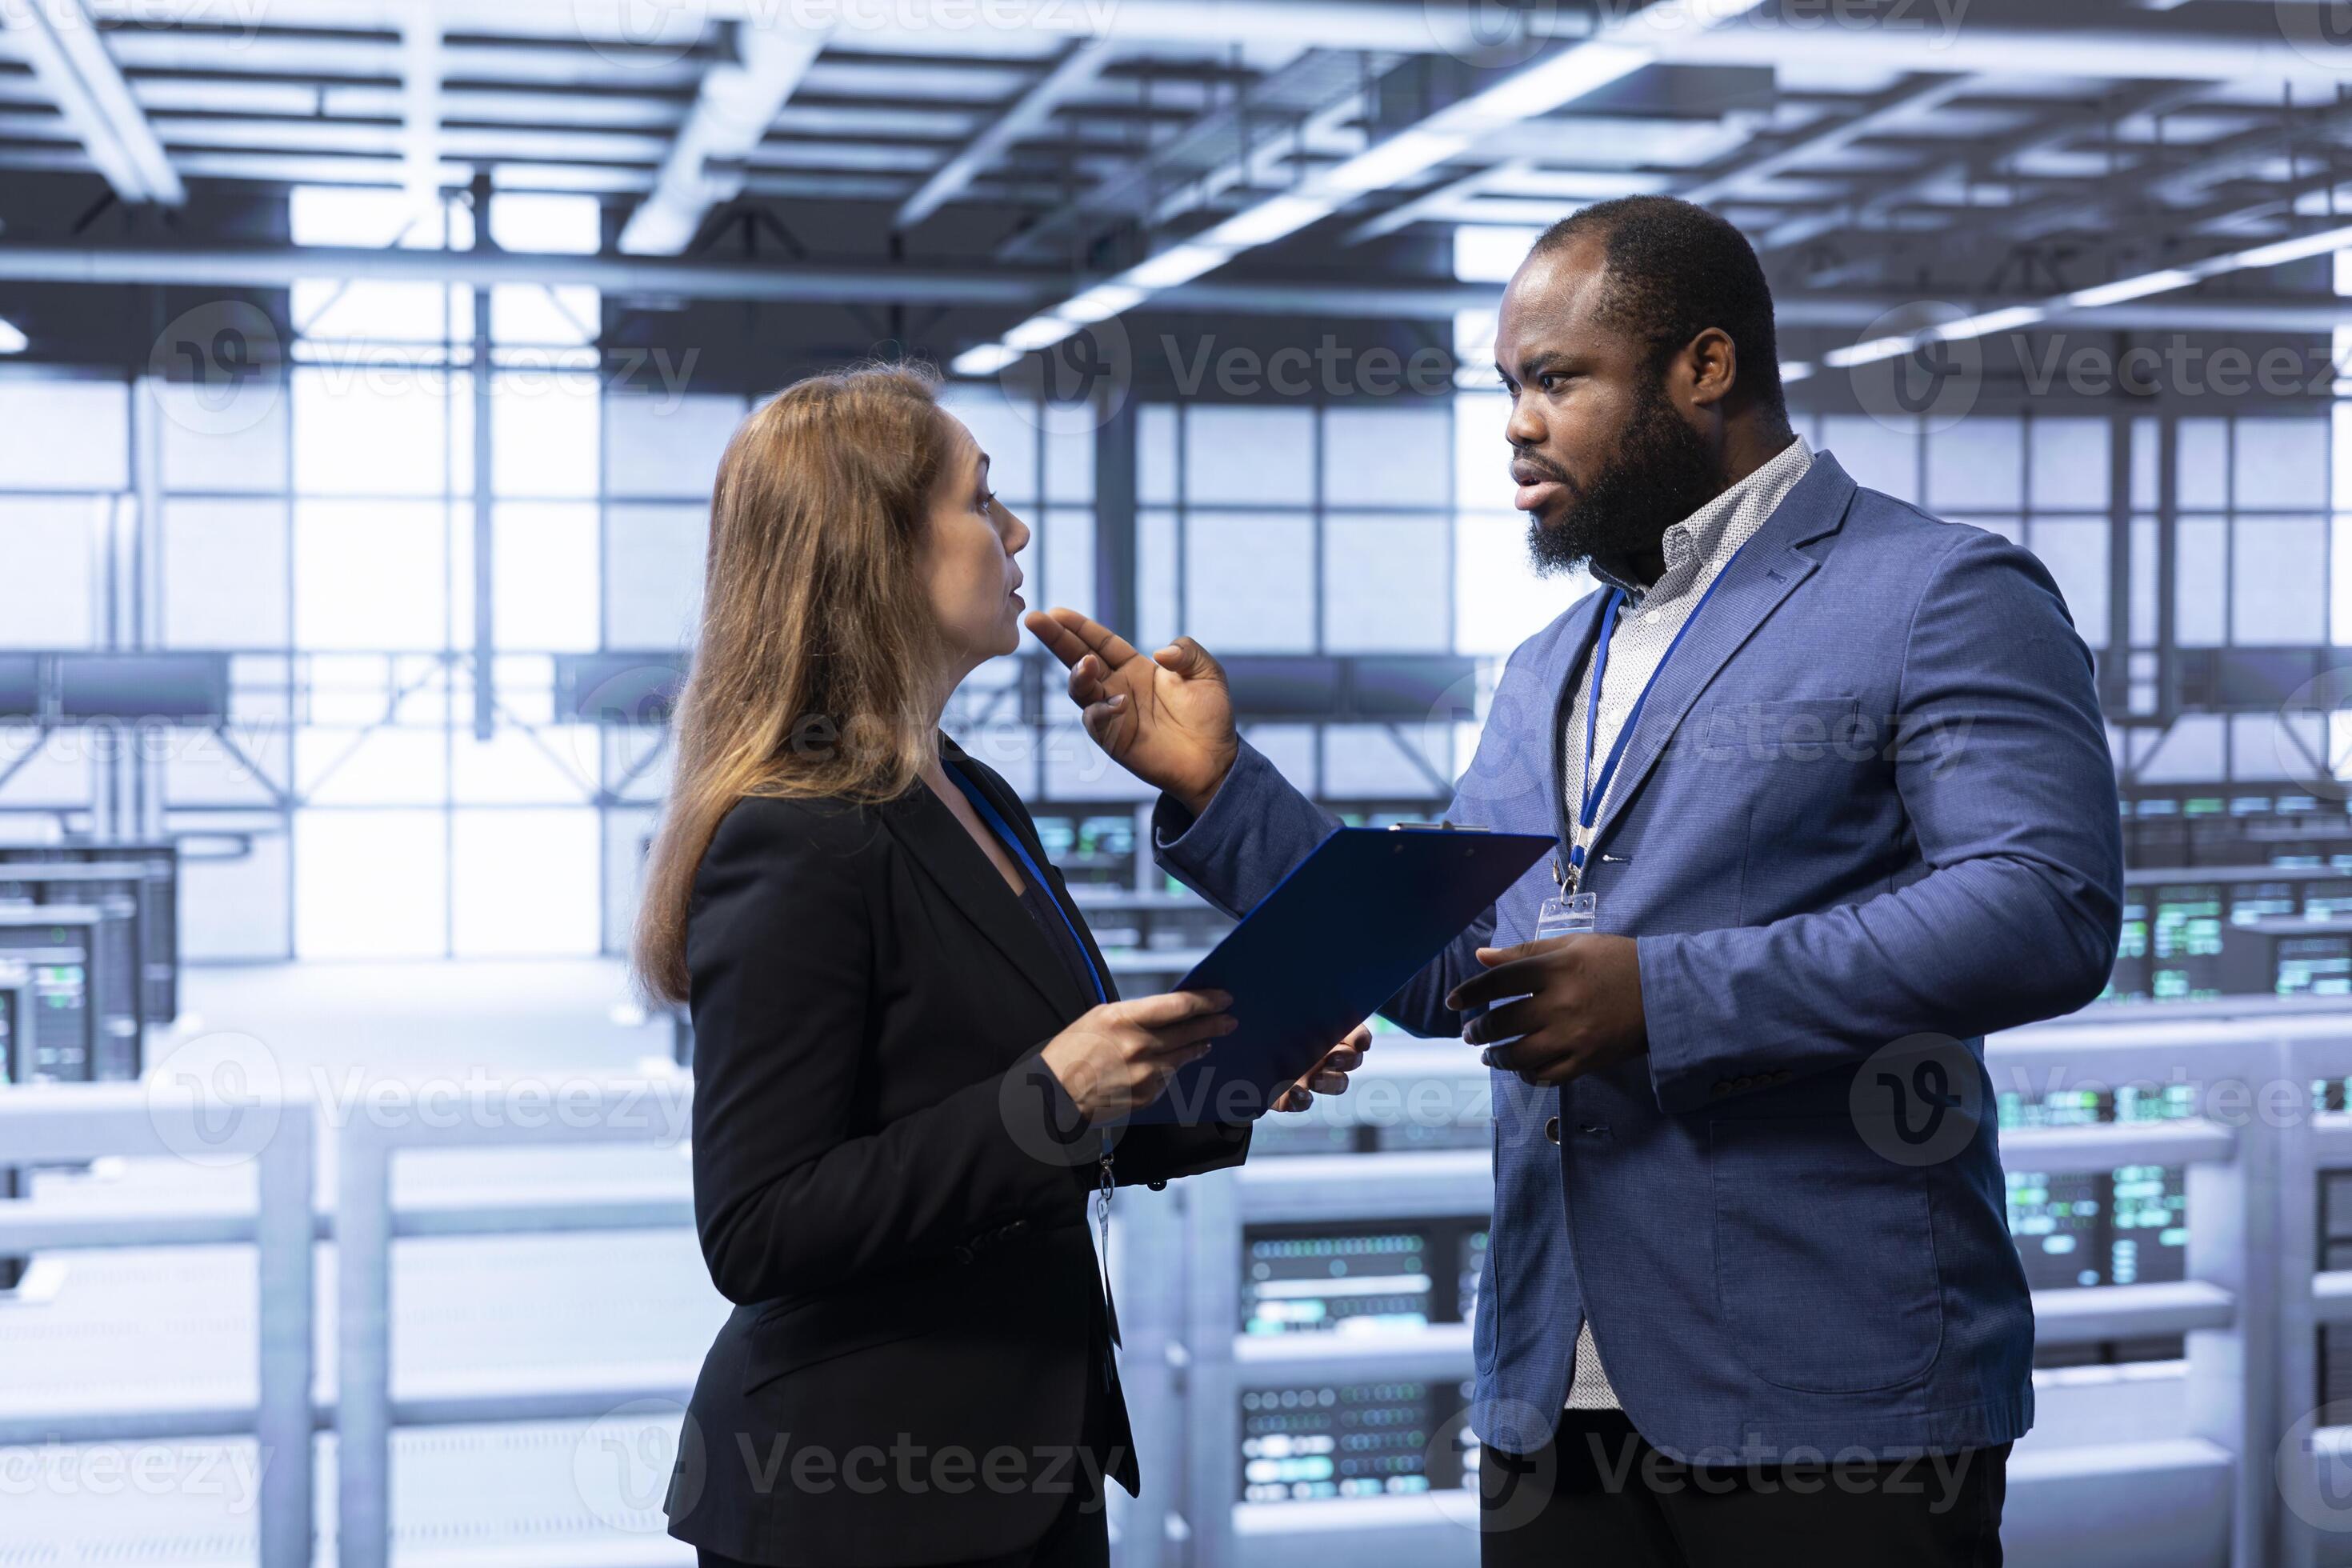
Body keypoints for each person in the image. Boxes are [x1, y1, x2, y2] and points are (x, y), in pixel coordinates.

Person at [1027, 196, 2122, 1567]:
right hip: (1554, 1401)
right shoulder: (1551, 661)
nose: (1516, 425)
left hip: (1837, 1396)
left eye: (1555, 380)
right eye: (1507, 388)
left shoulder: (1938, 591)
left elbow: (2042, 904)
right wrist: (1218, 786)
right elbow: (1459, 963)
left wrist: (1666, 996)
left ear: (1704, 367)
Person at [634, 361, 1368, 1568]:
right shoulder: (796, 831)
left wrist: (1237, 1066)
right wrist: (1053, 1097)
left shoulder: (970, 794)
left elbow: (1042, 1103)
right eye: (981, 500)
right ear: (875, 548)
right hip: (859, 1504)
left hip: (1026, 1468)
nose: (1017, 531)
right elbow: (758, 1227)